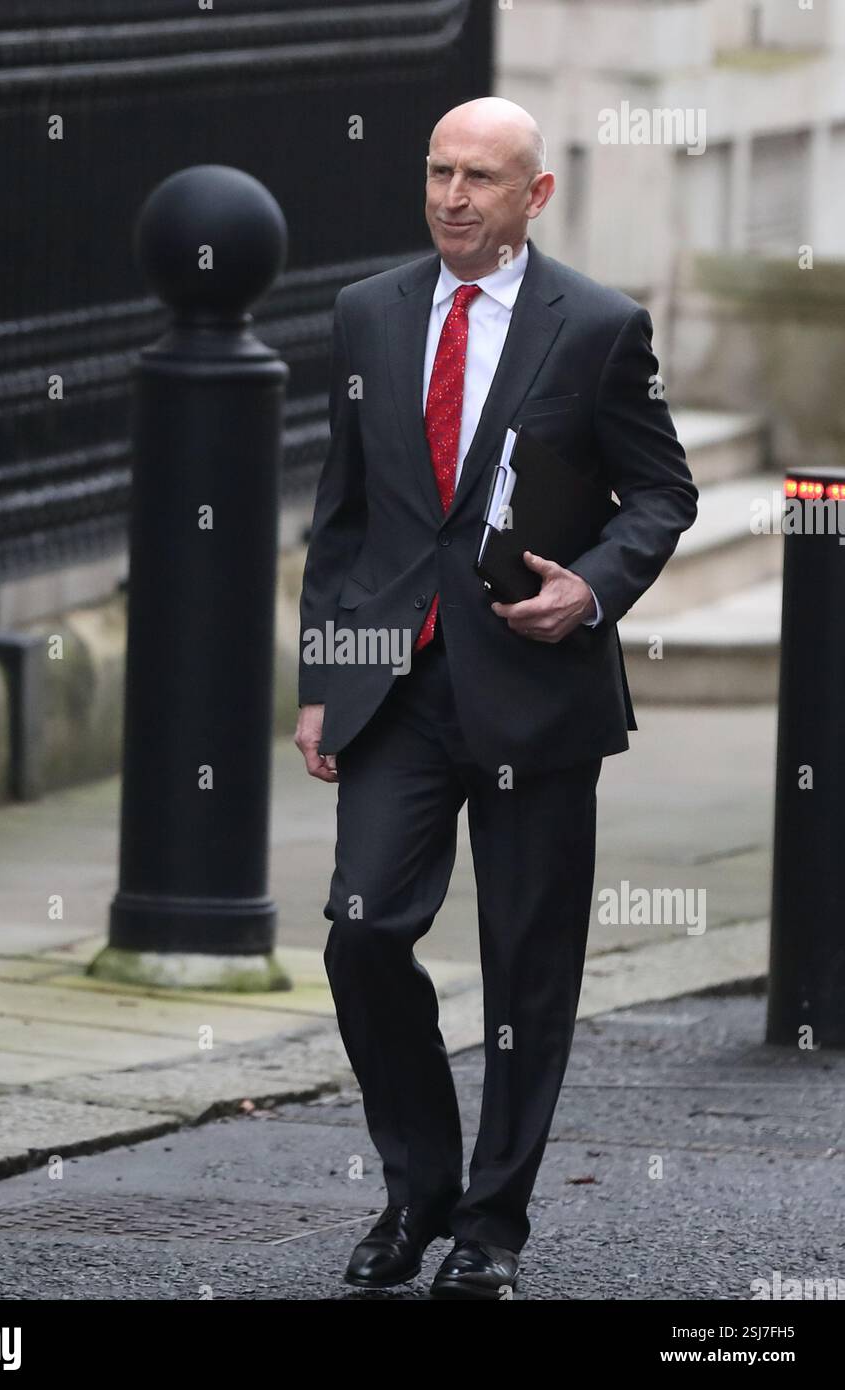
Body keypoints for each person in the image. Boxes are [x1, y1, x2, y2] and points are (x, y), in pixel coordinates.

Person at [295, 96, 699, 1300]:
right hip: (396, 688)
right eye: (437, 172)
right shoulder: (367, 312)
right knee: (363, 933)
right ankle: (416, 1186)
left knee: (528, 973)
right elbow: (344, 517)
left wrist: (596, 589)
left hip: (535, 689)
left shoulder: (599, 327)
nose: (452, 196)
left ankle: (490, 1230)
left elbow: (662, 493)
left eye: (480, 177)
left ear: (537, 195)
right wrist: (325, 679)